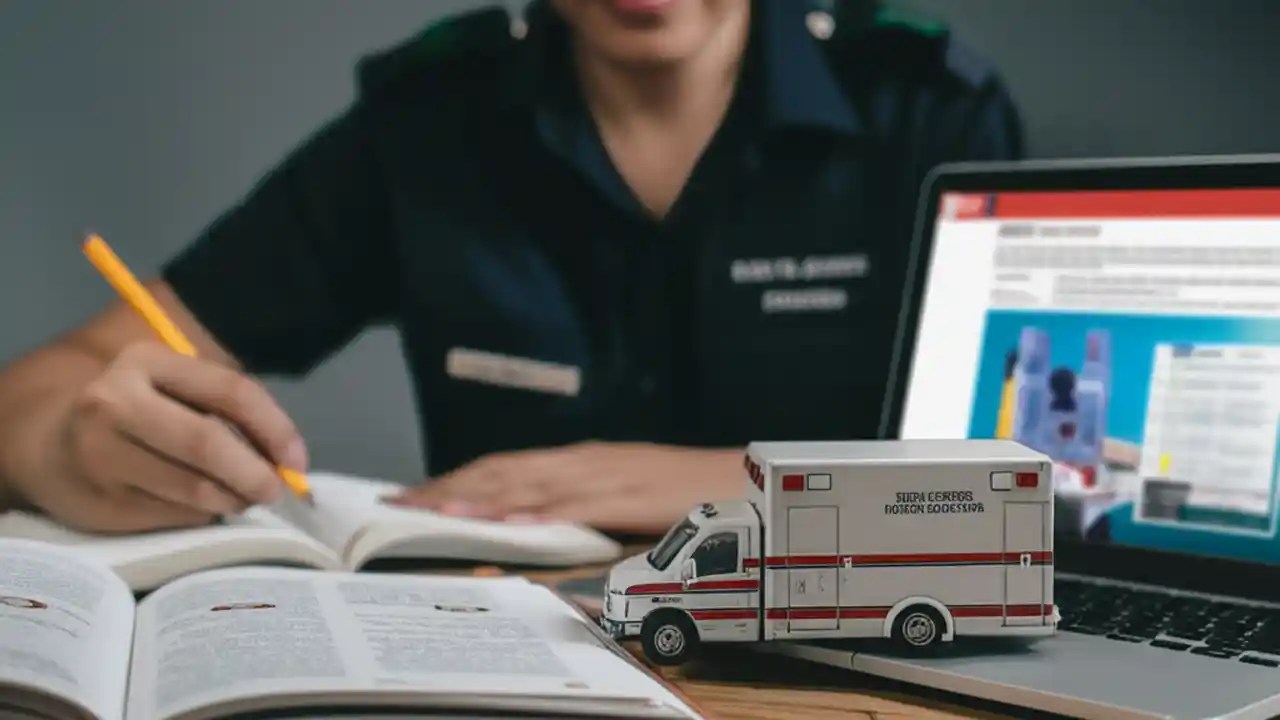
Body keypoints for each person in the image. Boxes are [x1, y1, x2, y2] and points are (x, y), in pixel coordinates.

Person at [0, 0, 1023, 536]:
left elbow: (1043, 479)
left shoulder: (920, 107)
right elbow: (46, 388)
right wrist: (72, 449)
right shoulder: (427, 120)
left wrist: (739, 486)